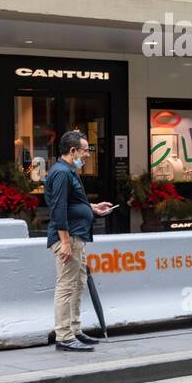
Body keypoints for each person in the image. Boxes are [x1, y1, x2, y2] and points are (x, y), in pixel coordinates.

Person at [45, 130, 113, 352]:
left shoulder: (68, 171)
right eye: (85, 151)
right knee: (66, 286)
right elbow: (58, 209)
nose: (87, 155)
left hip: (77, 236)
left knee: (78, 283)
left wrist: (92, 208)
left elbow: (73, 203)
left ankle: (74, 330)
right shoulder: (62, 173)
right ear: (72, 151)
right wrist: (64, 241)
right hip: (70, 237)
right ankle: (64, 336)